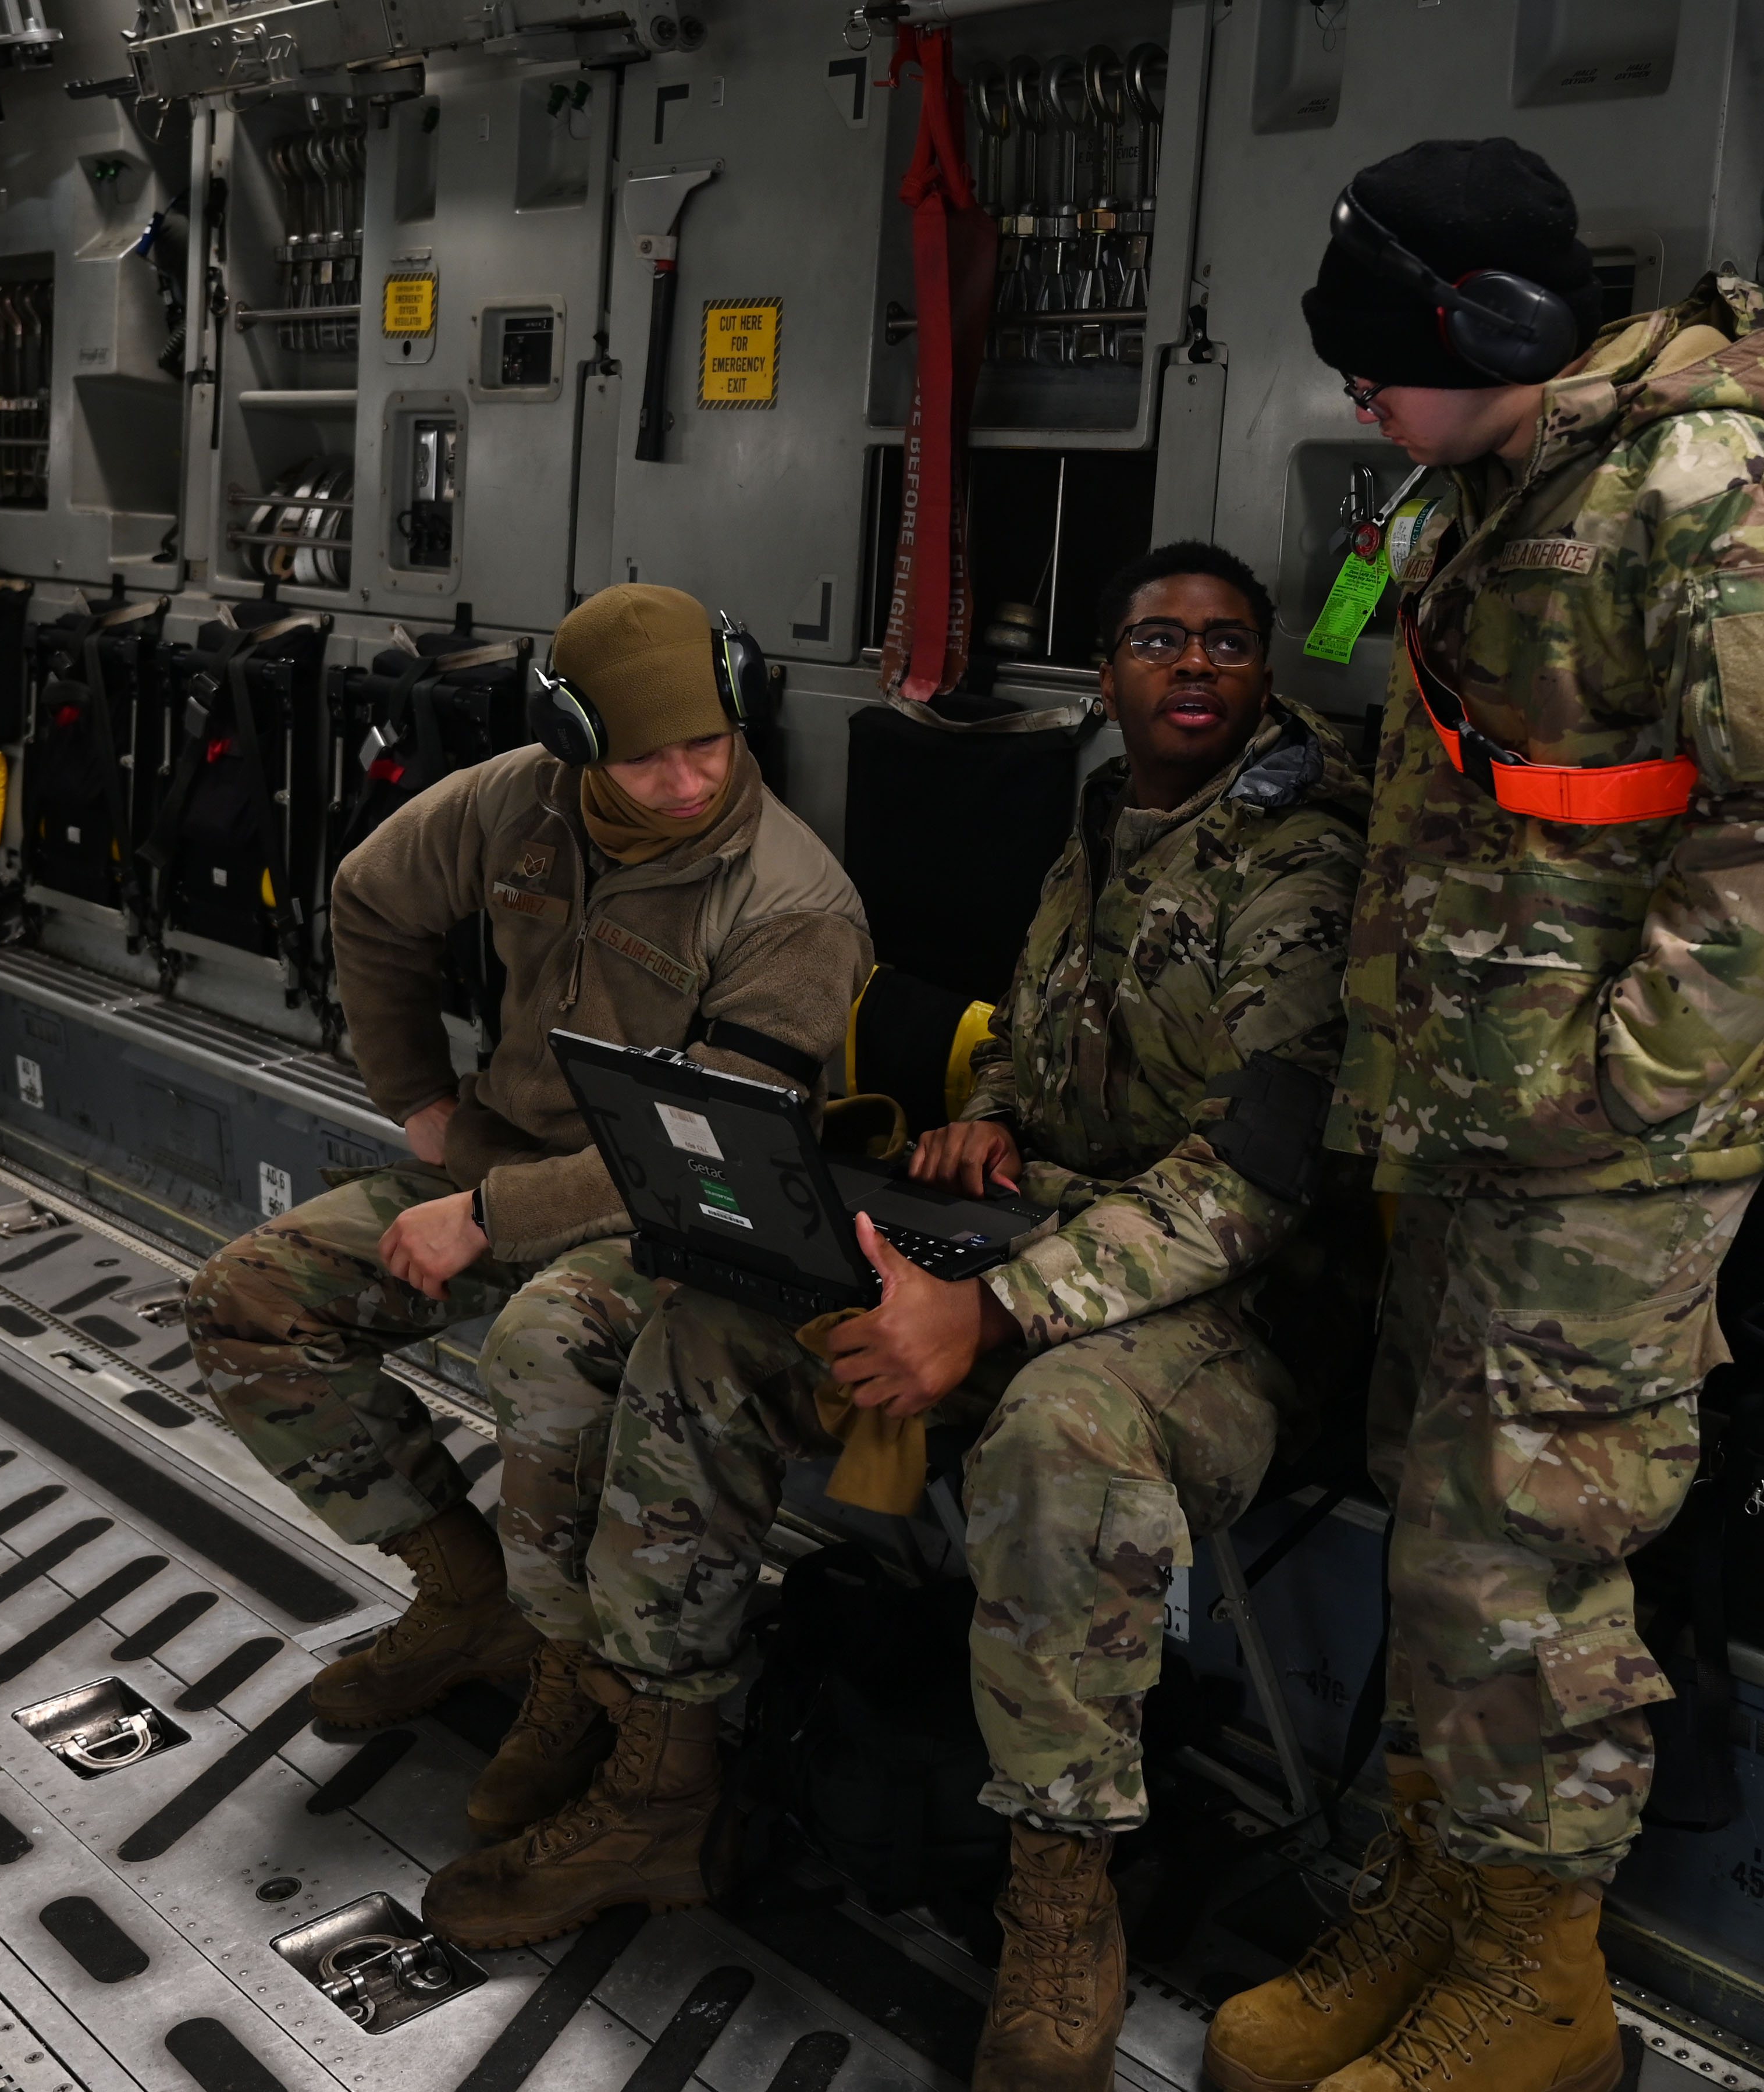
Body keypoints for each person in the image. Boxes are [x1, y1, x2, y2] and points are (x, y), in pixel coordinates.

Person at [421, 541, 1380, 2092]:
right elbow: (1039, 1035)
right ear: (1109, 672)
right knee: (715, 1320)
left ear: (1263, 671)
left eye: (1225, 642)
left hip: (1231, 1296)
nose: (1193, 665)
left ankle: (1062, 1912)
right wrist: (986, 1120)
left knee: (1065, 1438)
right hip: (1039, 1227)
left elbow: (1255, 1179)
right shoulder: (1103, 831)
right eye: (1157, 637)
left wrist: (990, 1310)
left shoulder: (1308, 864)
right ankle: (664, 1782)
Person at [1204, 139, 1764, 2092]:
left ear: (1487, 329)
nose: (1354, 400)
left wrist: (1615, 1089)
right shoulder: (1489, 486)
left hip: (1612, 1145)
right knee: (1448, 1519)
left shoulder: (1714, 484)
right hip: (1471, 1109)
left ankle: (1542, 1975)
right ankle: (1439, 1875)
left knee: (1536, 1545)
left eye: (1371, 360)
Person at [184, 583, 870, 1835]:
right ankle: (465, 1596)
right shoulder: (522, 801)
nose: (684, 783)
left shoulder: (792, 900)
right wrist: (416, 1099)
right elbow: (370, 899)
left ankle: (568, 1676)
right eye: (648, 755)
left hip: (669, 1219)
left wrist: (491, 1216)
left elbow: (713, 1146)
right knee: (248, 1299)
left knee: (544, 1349)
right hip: (491, 1166)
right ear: (574, 739)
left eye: (707, 746)